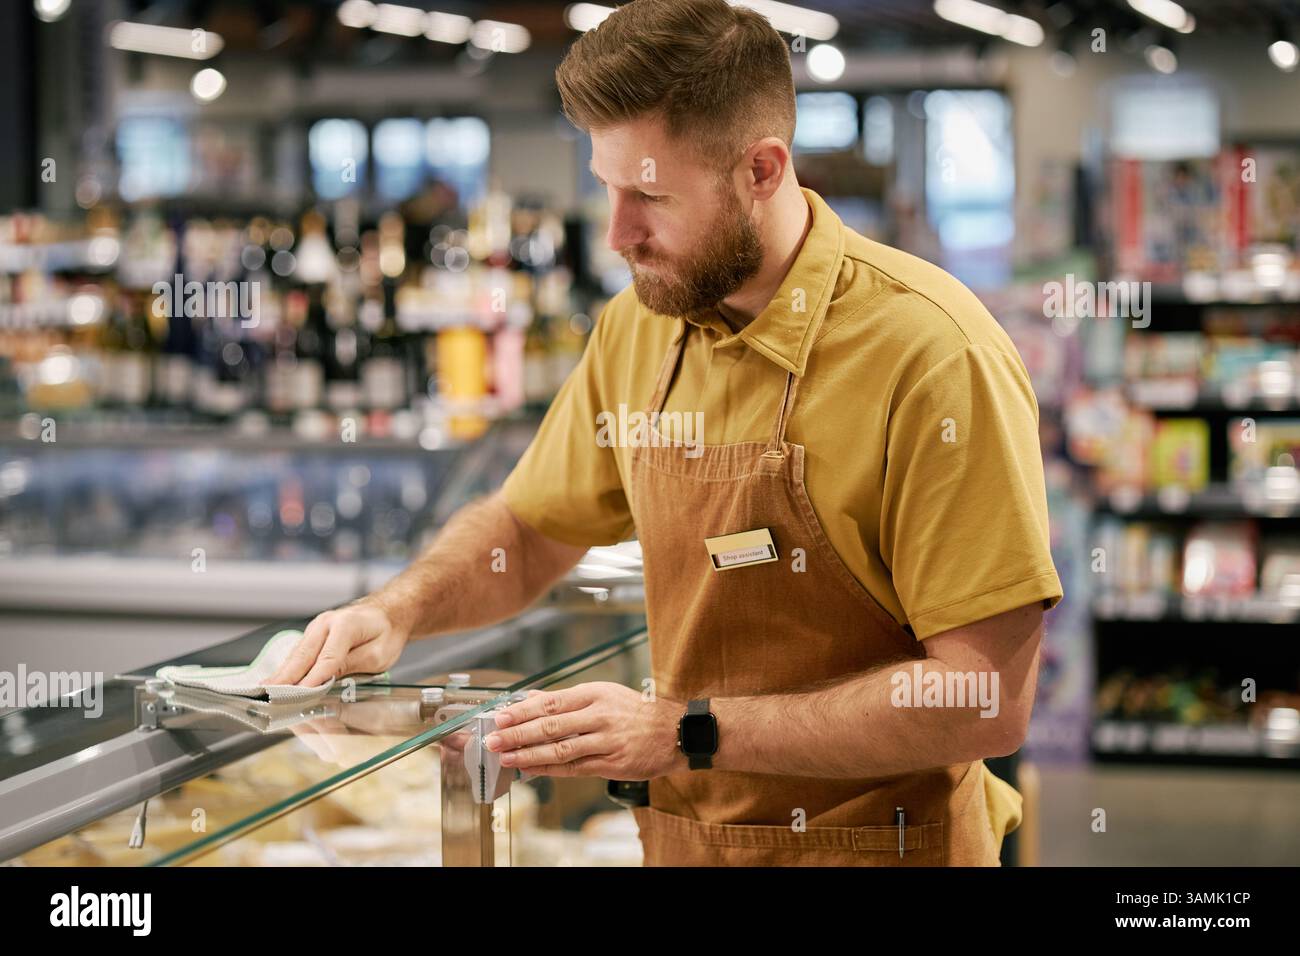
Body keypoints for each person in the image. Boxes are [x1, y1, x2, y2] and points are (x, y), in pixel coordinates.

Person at [270, 0, 1063, 866]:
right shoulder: (641, 326)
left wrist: (685, 732)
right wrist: (399, 611)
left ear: (762, 170)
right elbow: (533, 526)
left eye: (649, 196)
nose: (618, 235)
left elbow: (984, 696)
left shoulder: (932, 356)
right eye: (608, 189)